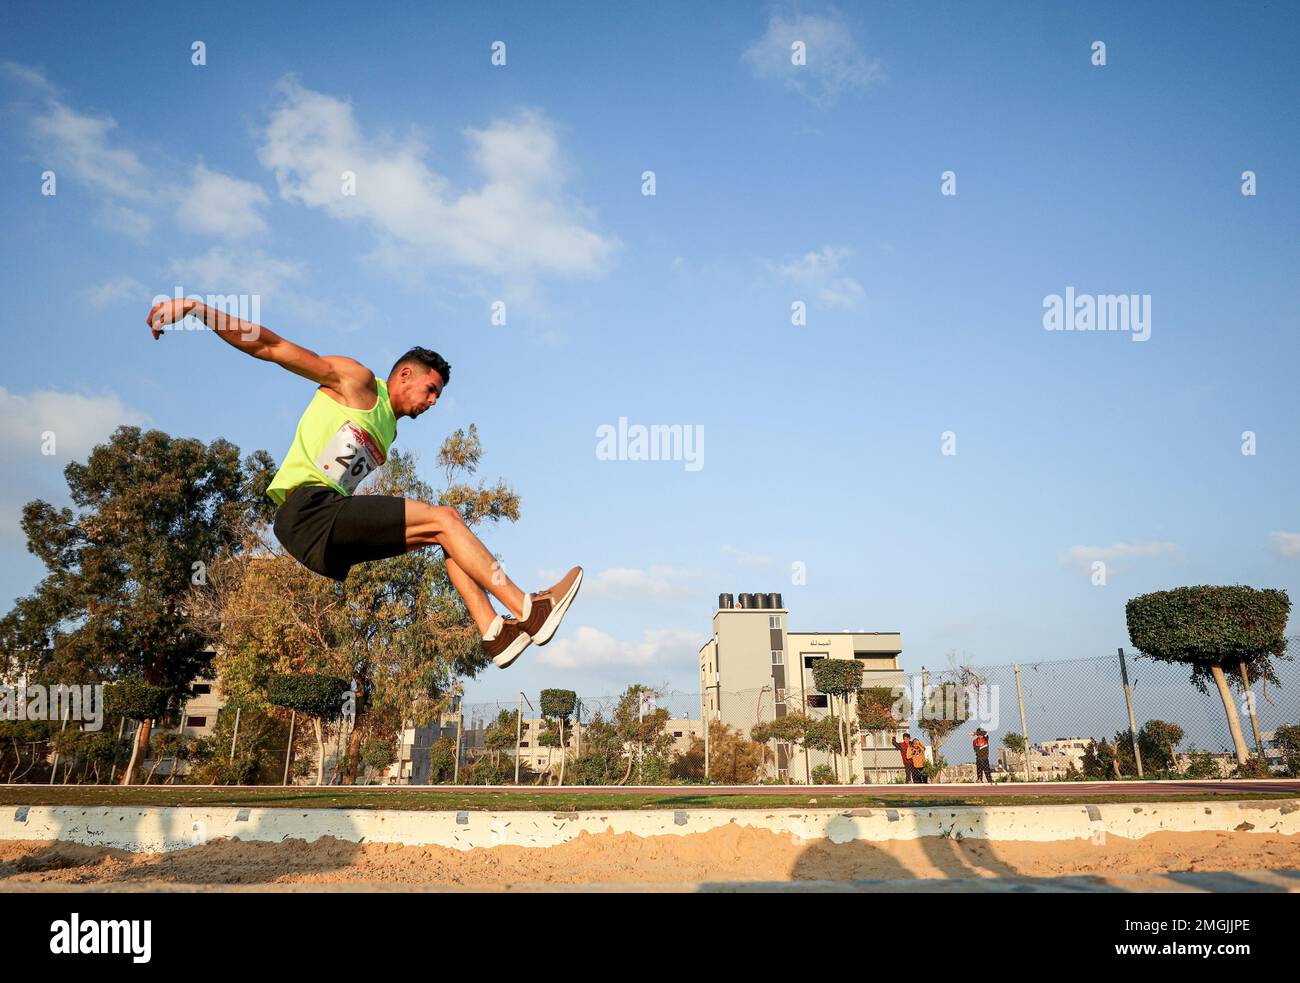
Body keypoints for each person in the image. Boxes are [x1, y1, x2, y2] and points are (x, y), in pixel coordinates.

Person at [146, 298, 581, 669]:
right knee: (445, 518)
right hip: (307, 511)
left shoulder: (387, 430)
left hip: (318, 525)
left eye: (438, 398)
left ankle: (494, 634)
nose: (431, 402)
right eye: (430, 389)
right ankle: (529, 608)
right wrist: (198, 309)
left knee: (448, 538)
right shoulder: (355, 383)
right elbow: (271, 346)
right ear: (405, 374)